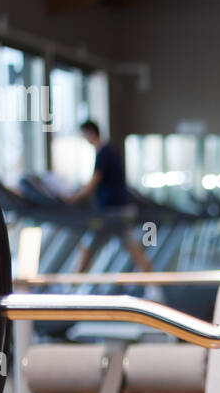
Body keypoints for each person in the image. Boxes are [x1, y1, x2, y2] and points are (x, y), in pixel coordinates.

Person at [65, 120, 156, 279]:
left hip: (112, 213)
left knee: (88, 248)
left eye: (84, 135)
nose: (84, 140)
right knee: (132, 248)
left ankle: (70, 289)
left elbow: (93, 183)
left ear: (91, 133)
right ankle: (154, 289)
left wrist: (73, 199)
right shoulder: (109, 151)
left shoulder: (103, 153)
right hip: (117, 210)